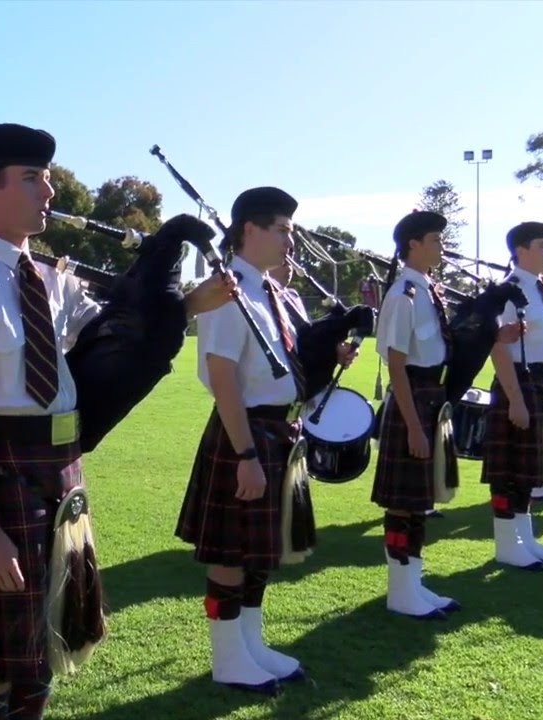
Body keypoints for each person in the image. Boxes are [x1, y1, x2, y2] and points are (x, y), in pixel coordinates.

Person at [0, 123, 233, 720]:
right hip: (7, 479)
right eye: (32, 179)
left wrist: (189, 303)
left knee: (44, 654)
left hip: (64, 476)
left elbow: (115, 338)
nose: (48, 193)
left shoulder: (52, 281)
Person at [175, 187, 356, 694]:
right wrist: (246, 453)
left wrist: (331, 357)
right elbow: (222, 375)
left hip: (281, 429)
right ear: (249, 230)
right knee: (231, 553)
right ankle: (228, 657)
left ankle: (251, 645)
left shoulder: (274, 293)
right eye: (282, 229)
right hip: (247, 431)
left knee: (260, 550)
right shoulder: (227, 291)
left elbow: (292, 367)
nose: (289, 240)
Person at [371, 210, 463, 618]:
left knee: (420, 501)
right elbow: (396, 365)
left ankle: (413, 585)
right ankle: (400, 592)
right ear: (413, 244)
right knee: (403, 504)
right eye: (434, 239)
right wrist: (412, 426)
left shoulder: (428, 289)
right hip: (413, 401)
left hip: (431, 399)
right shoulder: (401, 294)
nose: (441, 245)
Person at [480, 221, 543, 565]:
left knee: (528, 470)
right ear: (521, 251)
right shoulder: (508, 290)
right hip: (518, 384)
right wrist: (515, 398)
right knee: (510, 472)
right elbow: (499, 348)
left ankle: (524, 540)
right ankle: (507, 545)